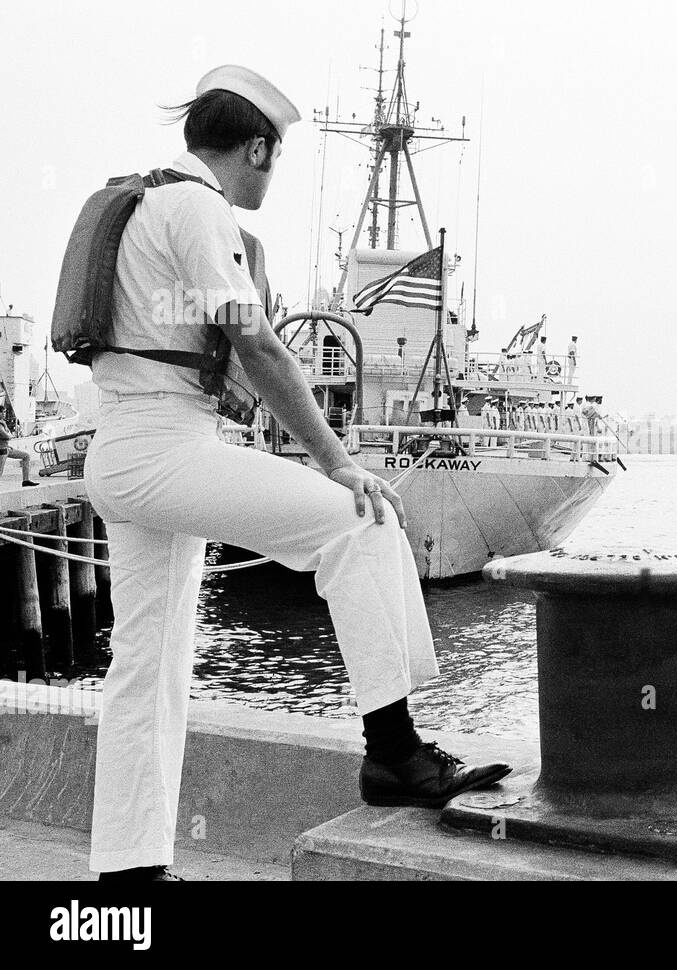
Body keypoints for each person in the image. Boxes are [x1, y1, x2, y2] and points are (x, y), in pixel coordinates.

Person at [82, 66, 509, 882]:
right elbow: (259, 344)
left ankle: (129, 875)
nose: (270, 178)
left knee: (148, 667)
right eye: (272, 161)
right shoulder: (197, 205)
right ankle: (394, 754)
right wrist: (340, 461)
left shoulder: (141, 202)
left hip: (124, 450)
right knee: (361, 520)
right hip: (167, 450)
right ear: (255, 148)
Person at [0, 417, 37, 486]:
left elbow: (7, 435)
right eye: (1, 412)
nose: (3, 414)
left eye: (4, 412)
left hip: (6, 448)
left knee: (26, 456)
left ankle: (26, 480)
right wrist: (9, 436)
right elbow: (7, 436)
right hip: (2, 450)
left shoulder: (3, 423)